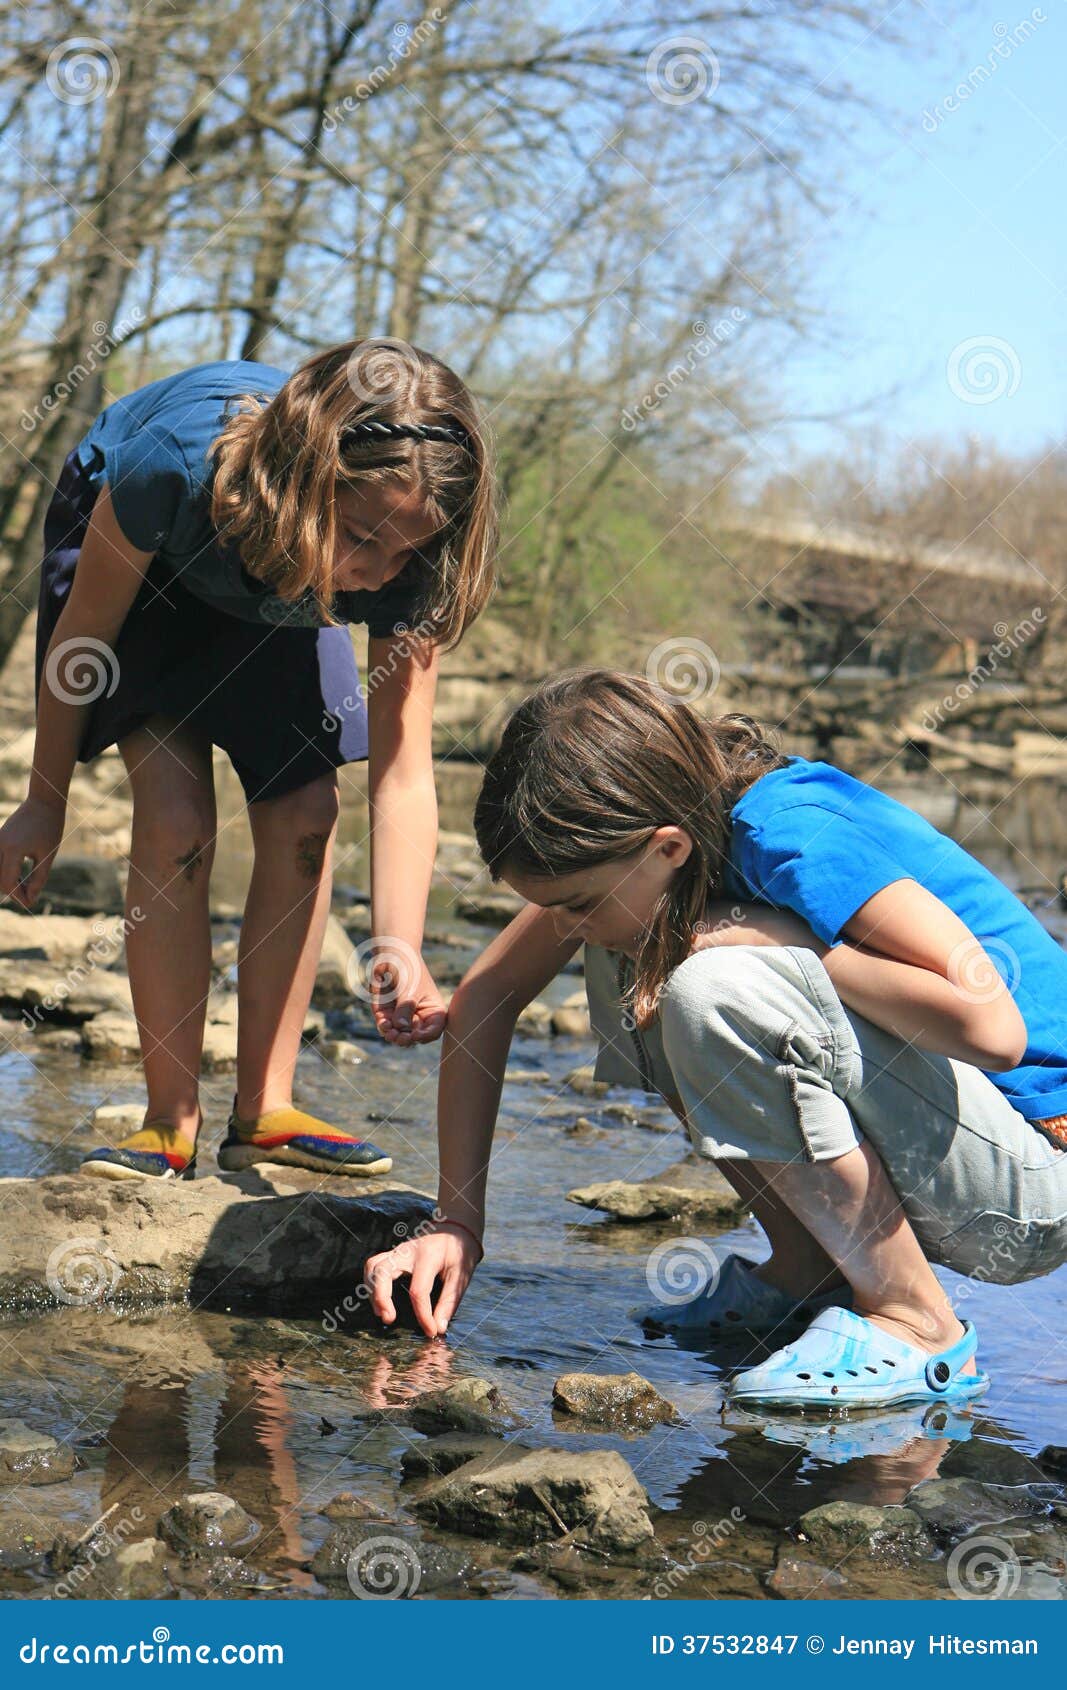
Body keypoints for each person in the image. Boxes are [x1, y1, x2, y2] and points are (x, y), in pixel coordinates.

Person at [363, 668, 1067, 1409]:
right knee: (638, 945)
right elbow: (488, 999)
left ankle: (916, 1322)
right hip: (956, 1146)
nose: (561, 927)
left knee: (708, 980)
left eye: (571, 904)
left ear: (665, 845)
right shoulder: (656, 843)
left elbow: (992, 1031)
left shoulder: (791, 834)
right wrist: (457, 1220)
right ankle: (808, 1271)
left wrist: (783, 940)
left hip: (1033, 1171)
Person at [0, 341, 497, 1182]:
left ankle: (264, 1108)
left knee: (307, 815)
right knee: (176, 819)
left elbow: (405, 772)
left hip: (281, 584)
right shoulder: (167, 469)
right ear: (307, 478)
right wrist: (43, 802)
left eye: (407, 553)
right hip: (154, 572)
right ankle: (169, 1120)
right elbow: (81, 644)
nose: (378, 573)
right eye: (365, 538)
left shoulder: (405, 555)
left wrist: (400, 943)